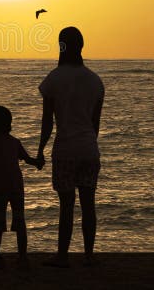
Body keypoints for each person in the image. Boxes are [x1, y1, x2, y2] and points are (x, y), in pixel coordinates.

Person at [37, 26, 104, 268]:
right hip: (88, 149)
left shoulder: (54, 79)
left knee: (66, 206)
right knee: (88, 204)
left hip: (65, 149)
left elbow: (47, 122)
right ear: (82, 46)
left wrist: (40, 150)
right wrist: (88, 143)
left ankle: (63, 256)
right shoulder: (95, 81)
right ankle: (89, 255)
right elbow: (95, 125)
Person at [0, 105, 42, 271]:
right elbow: (28, 159)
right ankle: (22, 257)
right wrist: (38, 162)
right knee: (20, 220)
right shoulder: (15, 142)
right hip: (15, 185)